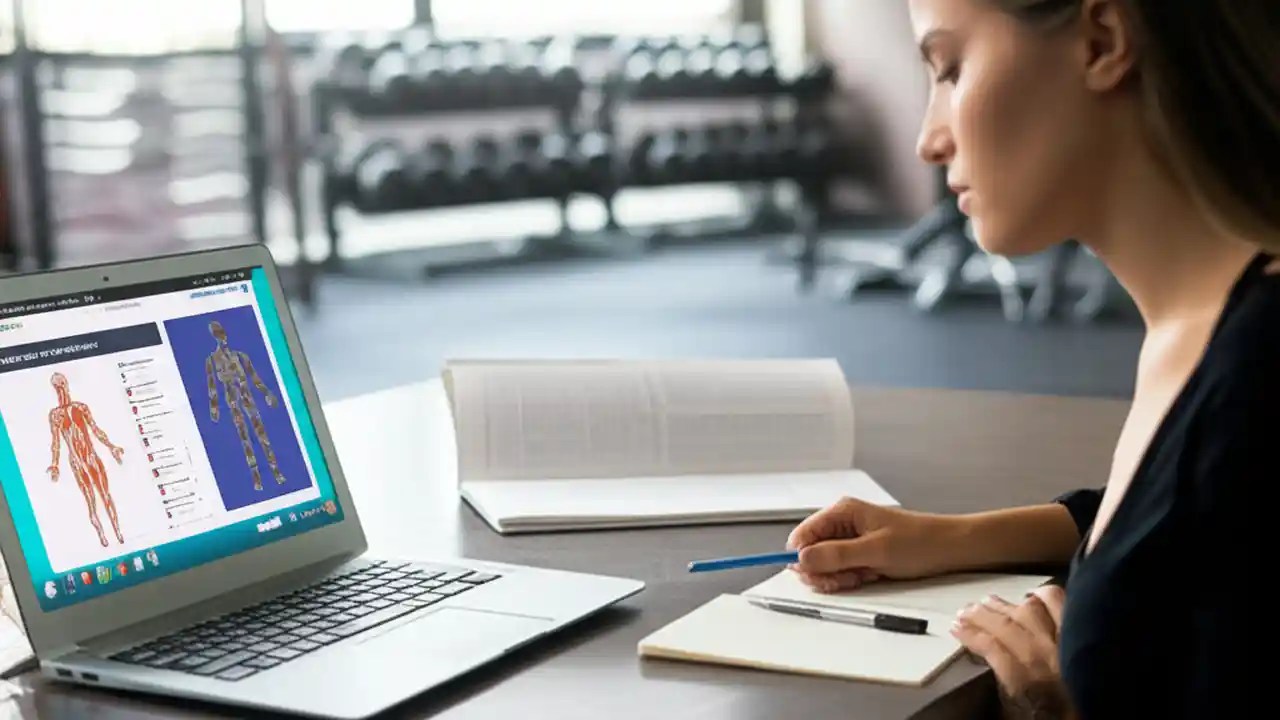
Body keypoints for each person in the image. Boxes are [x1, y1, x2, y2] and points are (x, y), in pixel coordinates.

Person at [787, 1, 1278, 718]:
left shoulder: (1258, 370)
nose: (930, 139)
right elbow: (1176, 519)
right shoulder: (1207, 327)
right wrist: (944, 538)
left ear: (1101, 42)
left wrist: (1065, 707)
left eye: (951, 69)